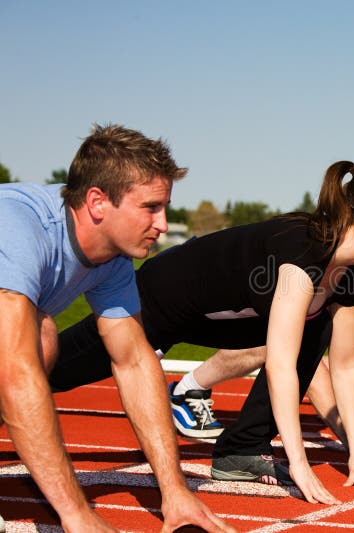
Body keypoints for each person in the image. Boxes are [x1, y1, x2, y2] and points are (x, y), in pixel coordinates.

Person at [51, 151, 354, 505]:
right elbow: (280, 365)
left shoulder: (349, 277)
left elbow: (346, 365)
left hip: (221, 320)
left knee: (317, 335)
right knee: (52, 369)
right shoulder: (304, 249)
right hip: (163, 299)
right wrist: (297, 463)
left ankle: (243, 449)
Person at [0, 124, 233, 532]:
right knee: (29, 342)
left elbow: (134, 362)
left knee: (41, 337)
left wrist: (173, 490)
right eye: (151, 207)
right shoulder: (17, 230)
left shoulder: (113, 261)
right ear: (97, 202)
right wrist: (77, 515)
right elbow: (15, 376)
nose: (162, 224)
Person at [165, 258, 354, 455]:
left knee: (272, 345)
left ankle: (186, 389)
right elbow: (312, 375)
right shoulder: (330, 285)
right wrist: (352, 441)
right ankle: (187, 391)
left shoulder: (348, 292)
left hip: (228, 303)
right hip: (194, 291)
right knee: (274, 348)